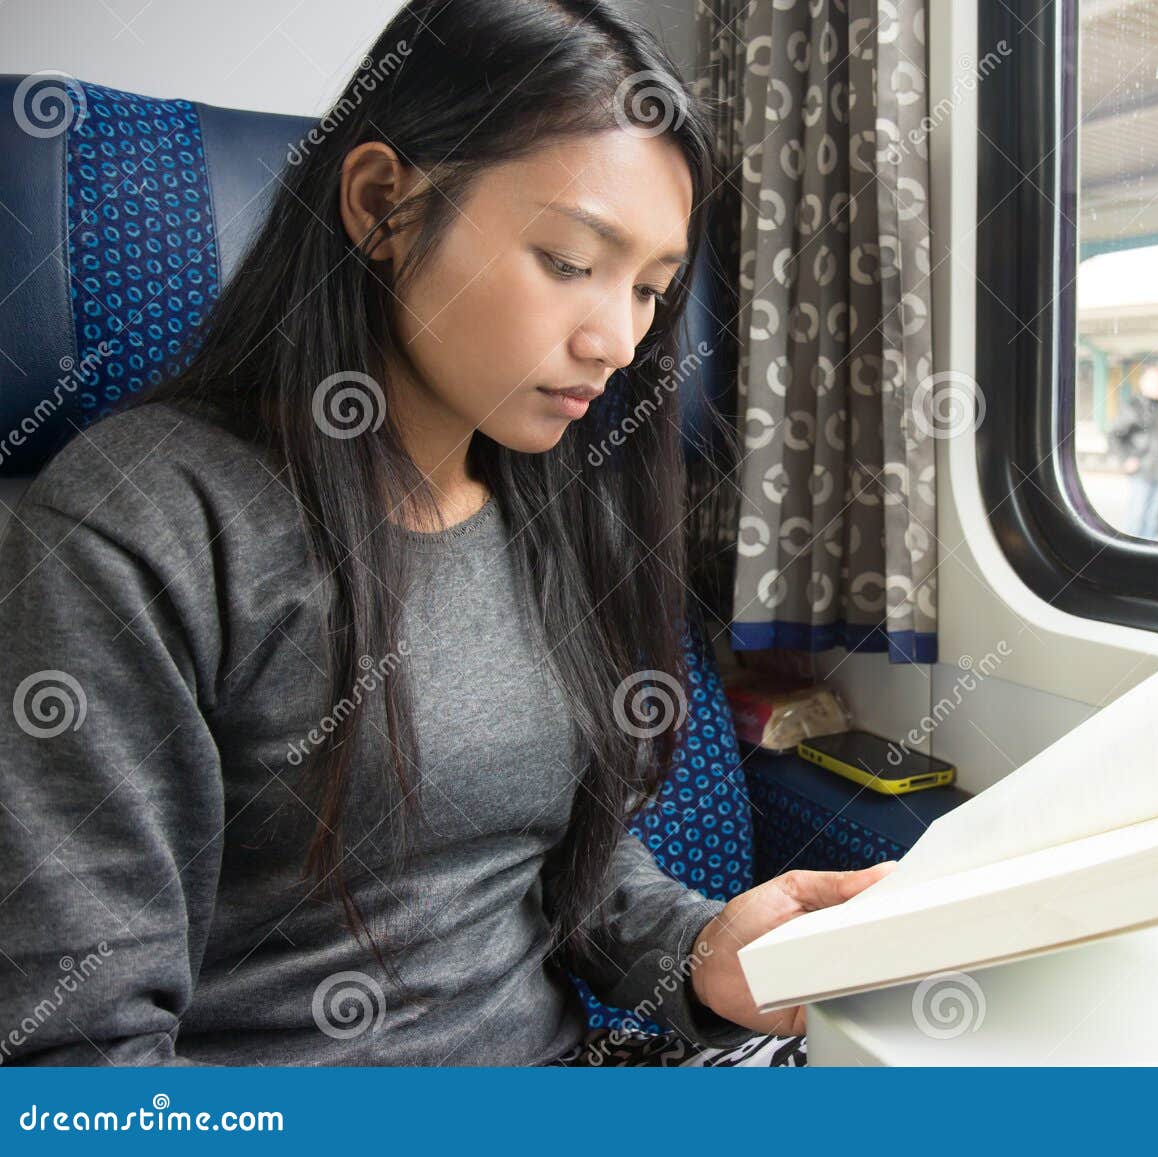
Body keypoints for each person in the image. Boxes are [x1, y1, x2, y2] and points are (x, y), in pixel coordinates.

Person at [0, 0, 893, 1067]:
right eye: (569, 260)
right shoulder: (142, 526)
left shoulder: (556, 502)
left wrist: (700, 949)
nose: (616, 339)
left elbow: (562, 871)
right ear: (384, 203)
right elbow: (79, 1062)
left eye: (652, 289)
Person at [1108, 365, 1158, 538]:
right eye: (1154, 380)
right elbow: (1114, 435)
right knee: (1136, 518)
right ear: (1143, 383)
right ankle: (1130, 555)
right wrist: (1125, 459)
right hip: (1142, 471)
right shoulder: (1134, 406)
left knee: (1153, 519)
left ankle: (1148, 556)